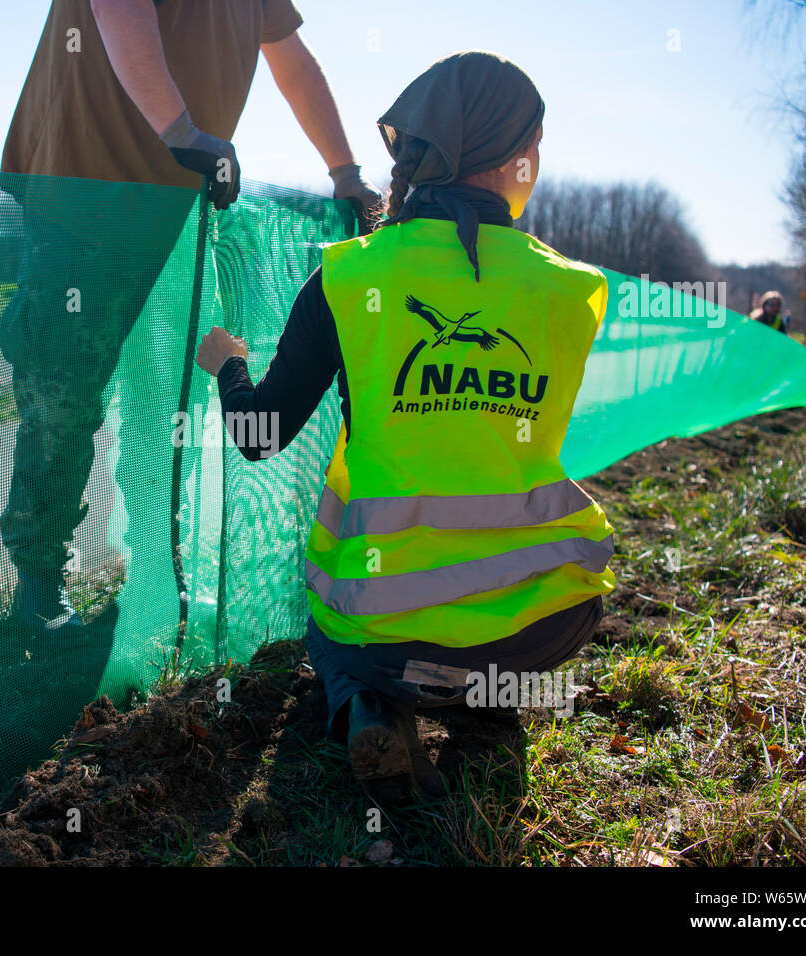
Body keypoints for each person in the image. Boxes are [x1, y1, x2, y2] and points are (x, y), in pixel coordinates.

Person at [195, 51, 615, 802]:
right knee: (521, 635)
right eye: (536, 147)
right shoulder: (571, 290)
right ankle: (487, 704)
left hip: (390, 631)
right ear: (510, 157)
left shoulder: (350, 276)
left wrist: (228, 364)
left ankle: (373, 705)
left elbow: (260, 437)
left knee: (332, 636)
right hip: (544, 622)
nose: (538, 165)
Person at [0, 0, 381, 636]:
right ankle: (37, 580)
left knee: (157, 395)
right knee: (63, 382)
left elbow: (292, 62)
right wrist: (181, 130)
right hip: (82, 188)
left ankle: (153, 570)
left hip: (169, 209)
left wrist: (345, 173)